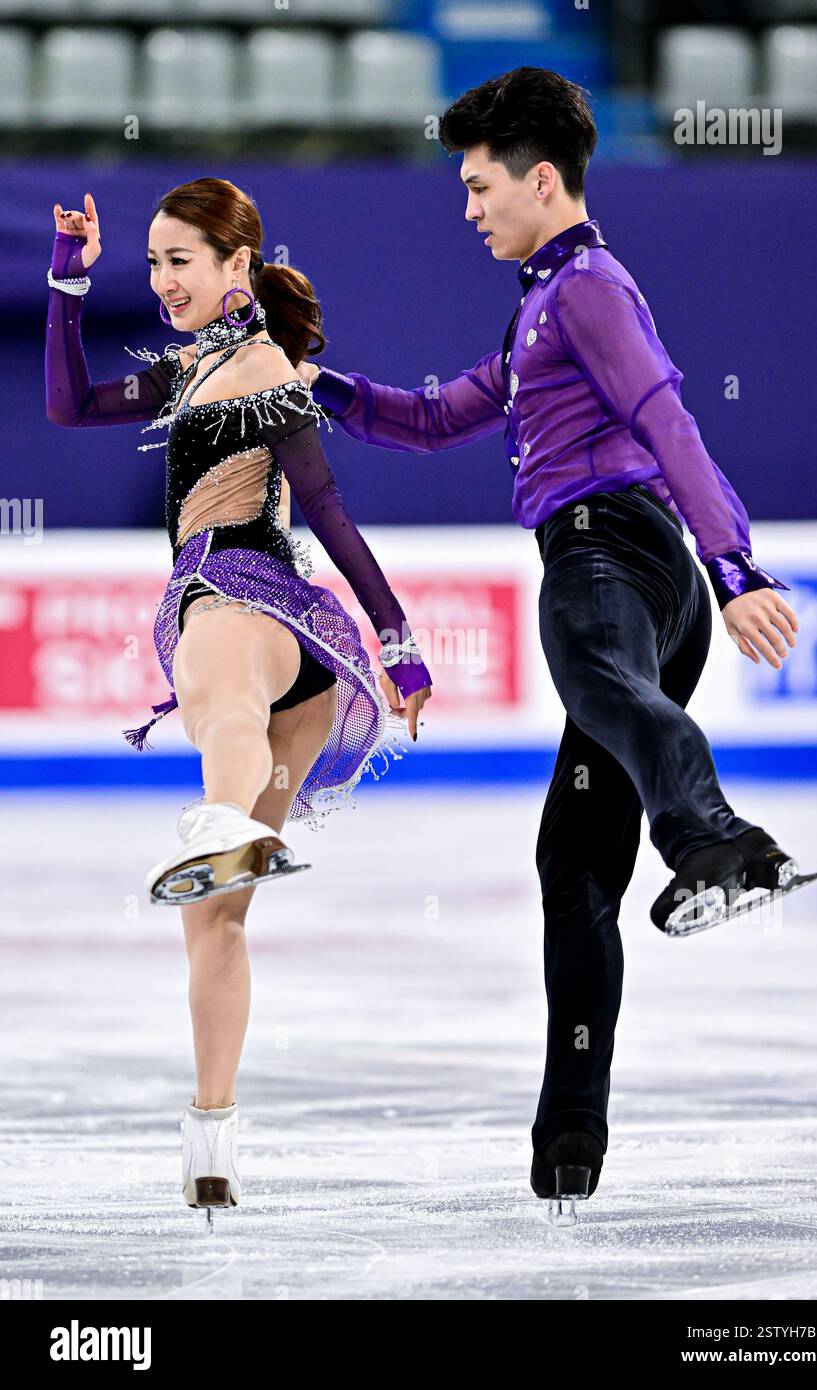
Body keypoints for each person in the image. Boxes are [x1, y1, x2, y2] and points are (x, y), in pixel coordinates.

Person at [294, 68, 816, 1205]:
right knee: (571, 867)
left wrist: (733, 566)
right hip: (633, 577)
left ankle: (714, 837)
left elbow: (663, 415)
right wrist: (313, 384)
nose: (467, 207)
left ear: (541, 179)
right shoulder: (540, 307)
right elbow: (433, 418)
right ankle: (567, 1146)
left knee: (594, 676)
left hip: (606, 557)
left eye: (479, 186)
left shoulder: (587, 287)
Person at [45, 178, 432, 1217]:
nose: (163, 279)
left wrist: (401, 644)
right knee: (217, 921)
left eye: (182, 261)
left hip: (239, 596)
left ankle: (222, 818)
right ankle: (208, 1137)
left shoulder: (261, 372)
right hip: (299, 657)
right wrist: (70, 283)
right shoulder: (193, 368)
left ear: (236, 266)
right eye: (155, 261)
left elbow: (331, 515)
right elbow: (68, 404)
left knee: (216, 698)